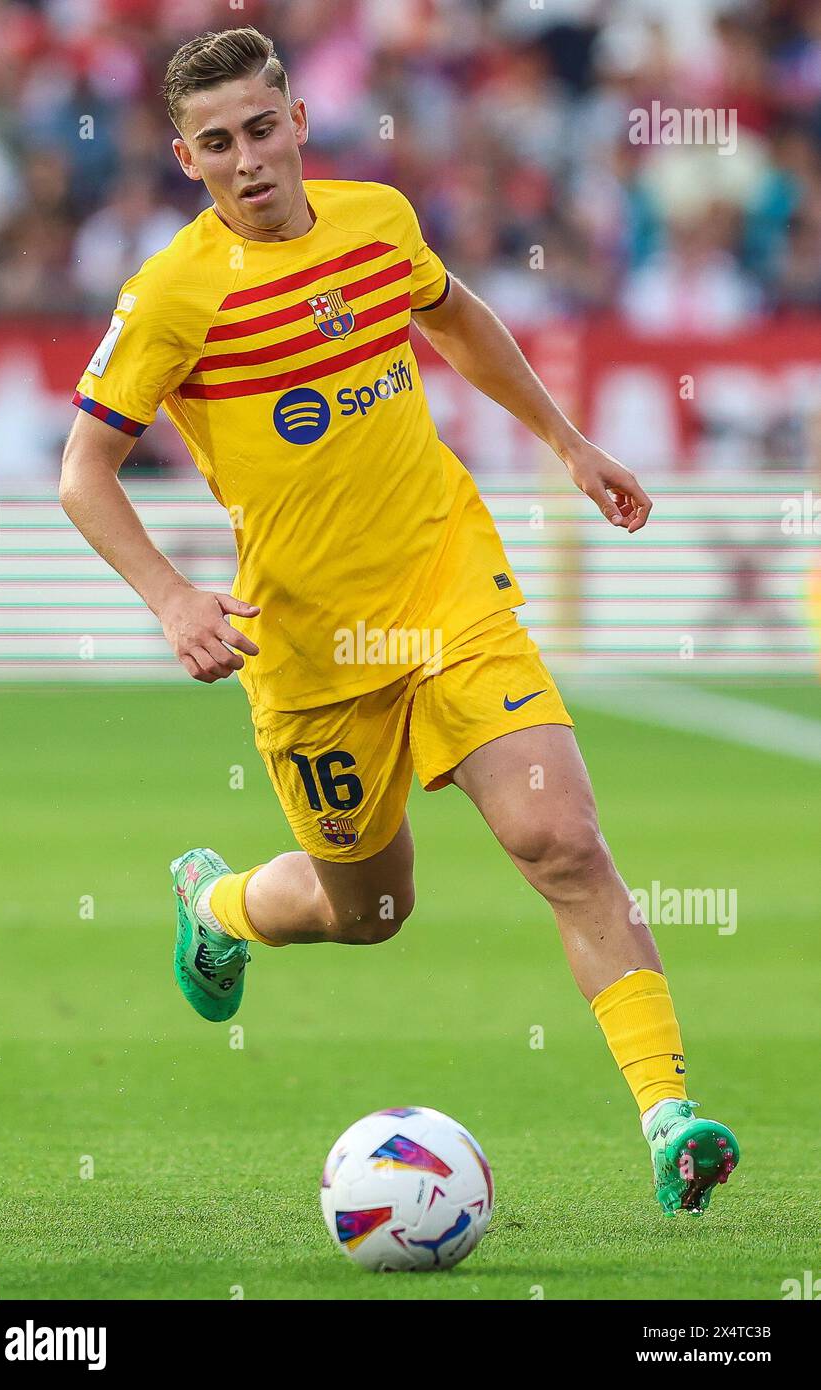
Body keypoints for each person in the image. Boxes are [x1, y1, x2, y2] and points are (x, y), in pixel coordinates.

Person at [59, 26, 738, 1217]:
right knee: (365, 911)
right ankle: (213, 906)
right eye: (216, 143)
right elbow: (83, 472)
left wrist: (566, 443)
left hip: (443, 588)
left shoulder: (375, 221)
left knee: (559, 841)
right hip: (308, 645)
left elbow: (456, 313)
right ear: (184, 156)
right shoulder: (171, 293)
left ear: (298, 123)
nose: (247, 159)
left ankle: (667, 1116)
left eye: (262, 129)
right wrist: (172, 596)